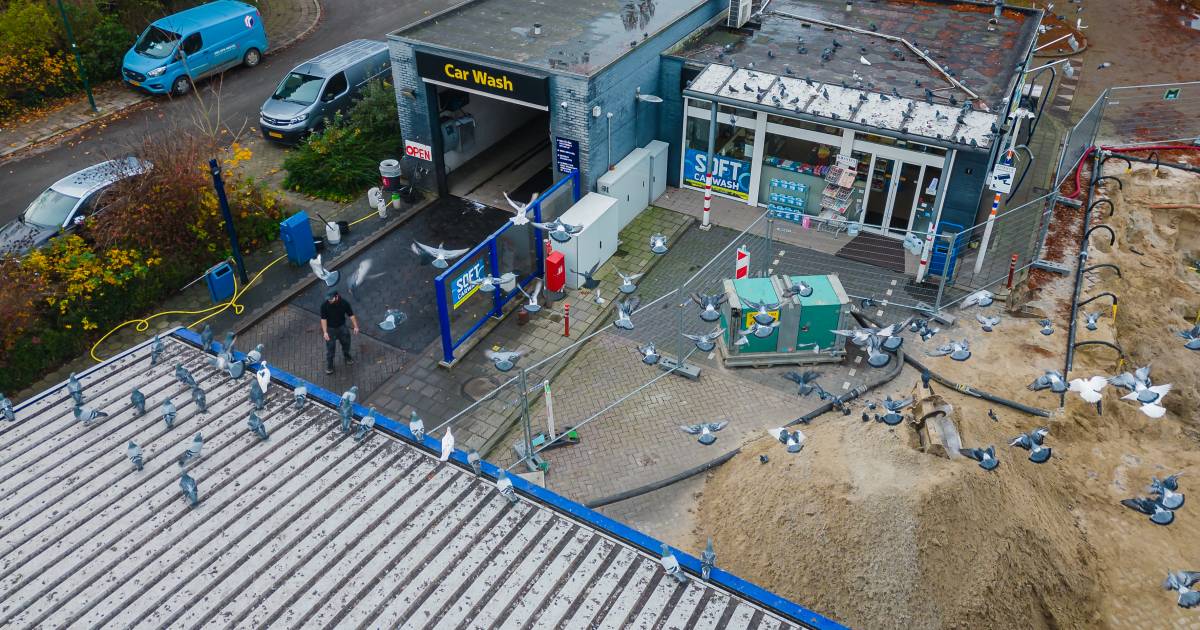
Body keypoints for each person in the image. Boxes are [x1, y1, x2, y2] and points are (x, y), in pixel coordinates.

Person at [320, 290, 359, 374]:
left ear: (337, 296)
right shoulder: (324, 305)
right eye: (328, 299)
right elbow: (323, 319)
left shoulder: (344, 303)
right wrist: (325, 332)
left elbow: (351, 315)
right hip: (330, 329)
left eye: (331, 299)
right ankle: (330, 366)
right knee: (330, 349)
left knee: (346, 343)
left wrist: (355, 326)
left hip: (342, 327)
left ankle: (347, 356)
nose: (329, 300)